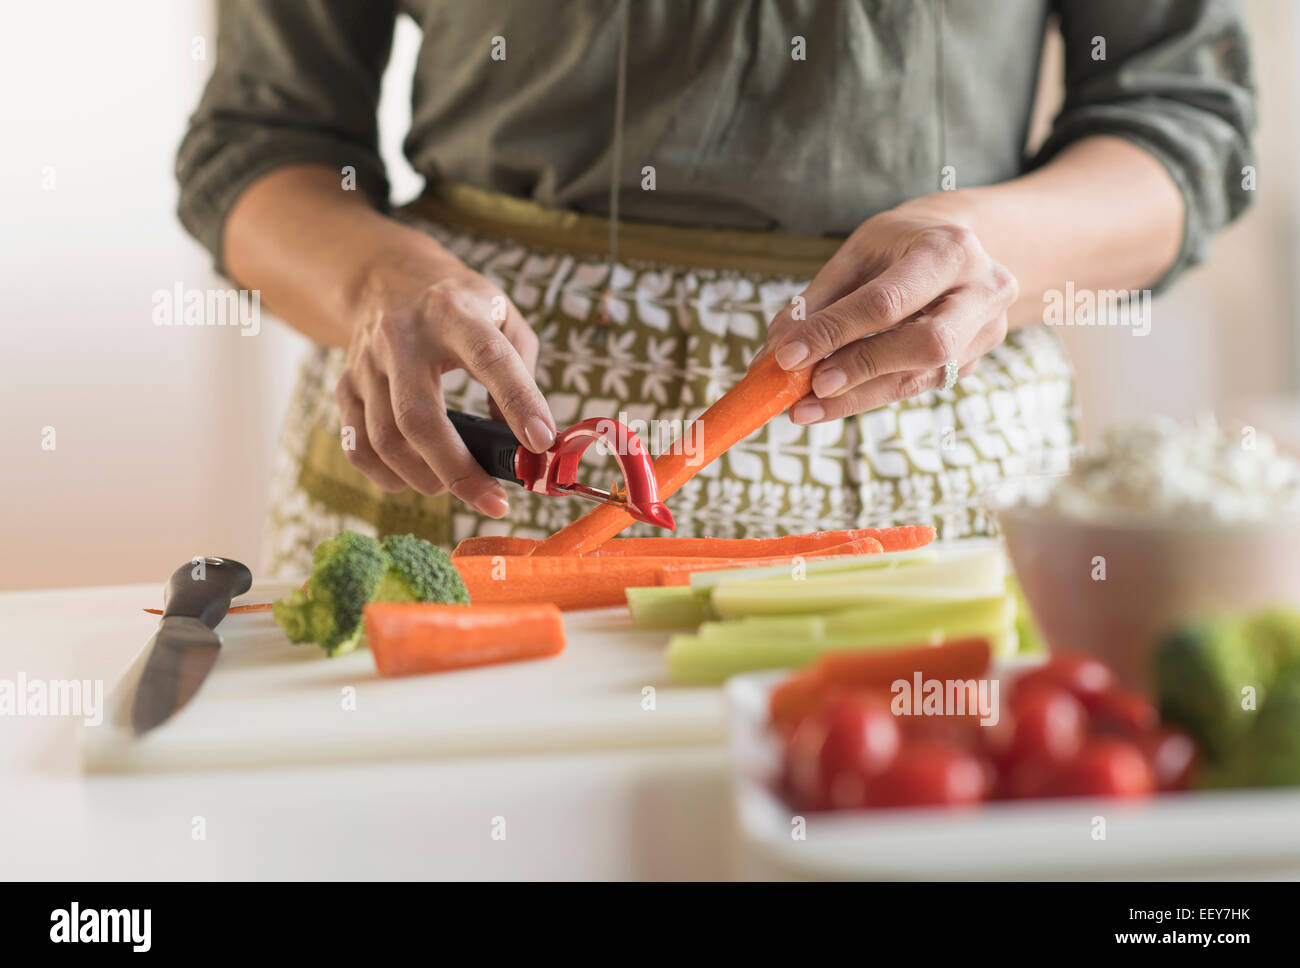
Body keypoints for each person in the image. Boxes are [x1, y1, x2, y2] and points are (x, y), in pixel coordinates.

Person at [177, 1, 1255, 578]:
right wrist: (377, 282)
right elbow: (258, 144)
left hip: (924, 498)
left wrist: (986, 243)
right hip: (458, 453)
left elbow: (1185, 127)